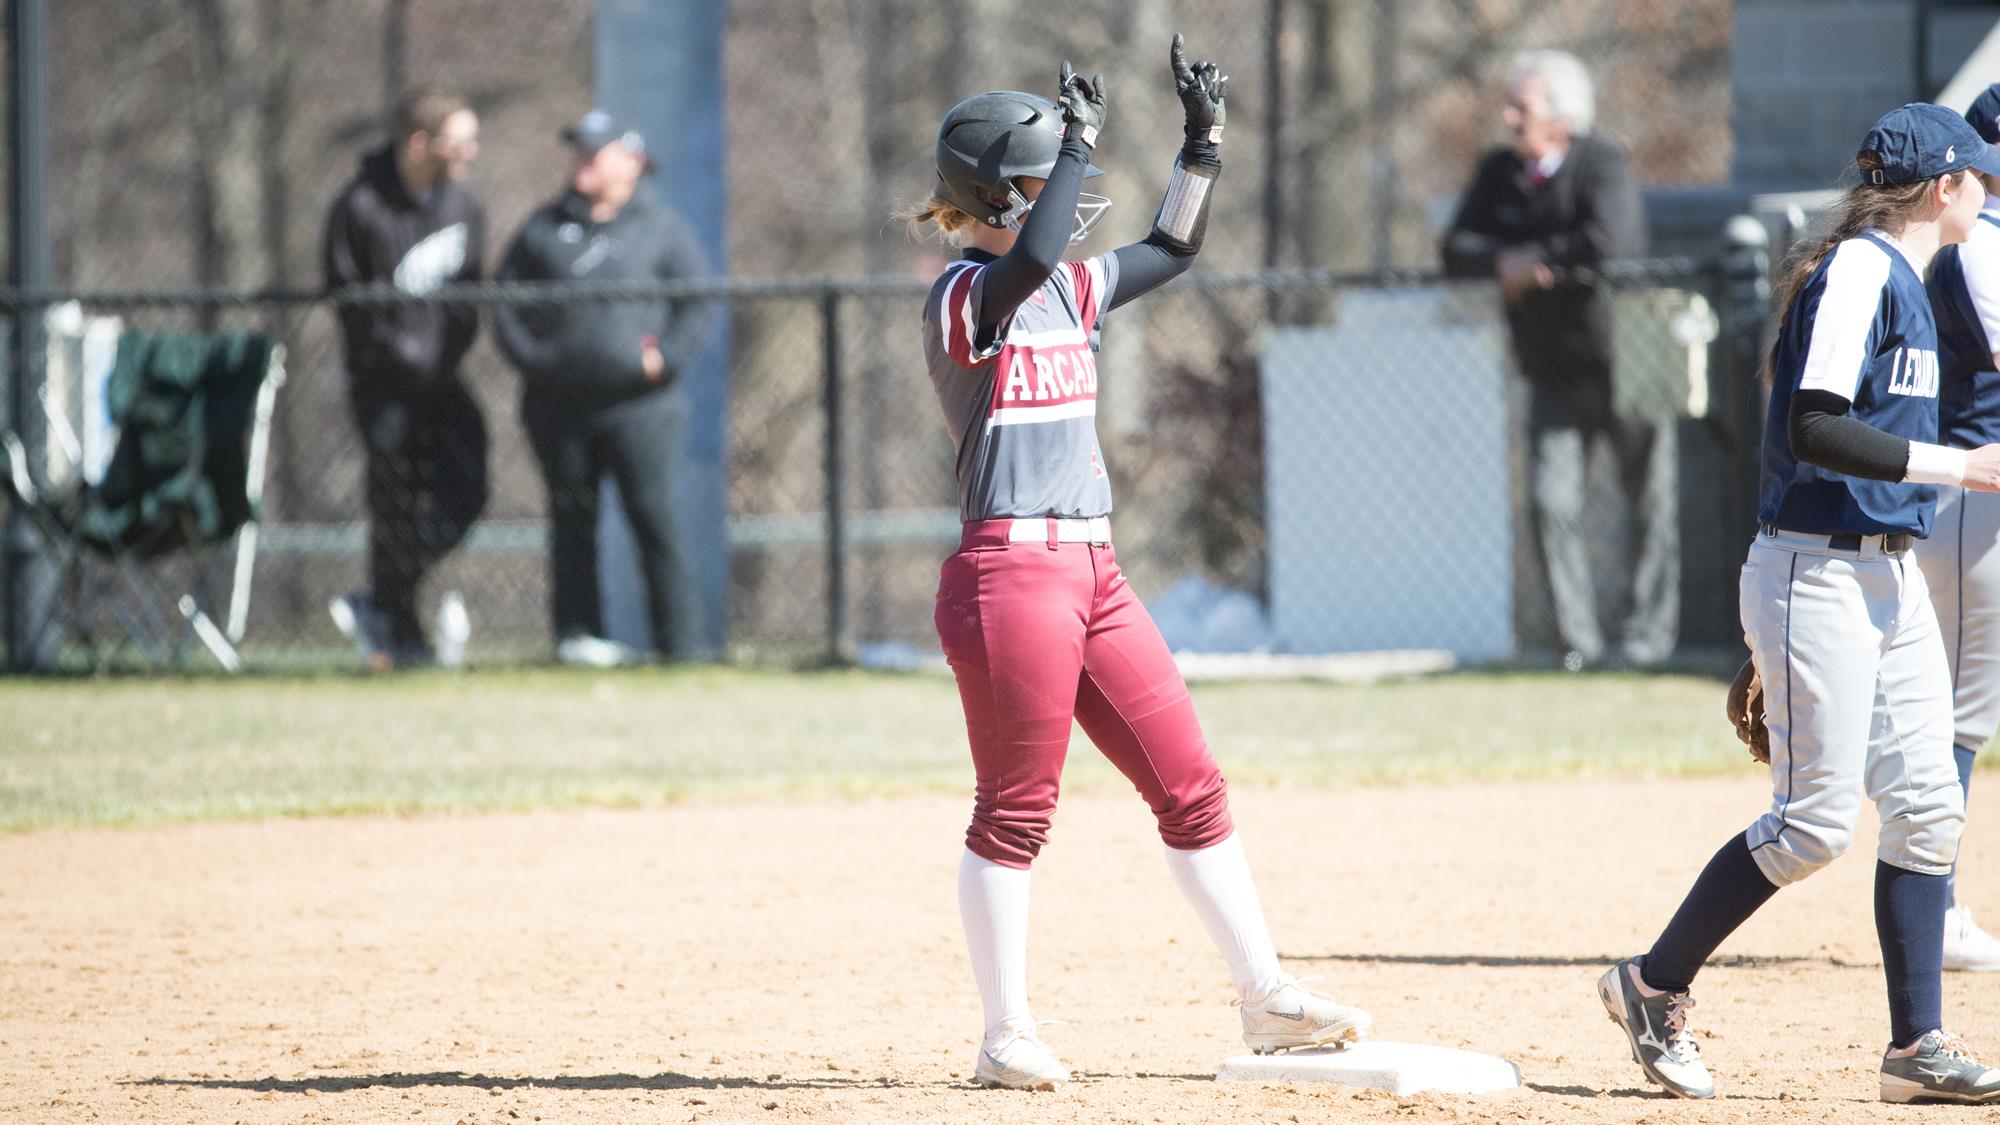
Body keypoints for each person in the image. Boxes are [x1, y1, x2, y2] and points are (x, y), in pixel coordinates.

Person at [904, 37, 1369, 1092]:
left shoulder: (1068, 288)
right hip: (1009, 574)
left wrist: (1201, 146)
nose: (1065, 204)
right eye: (1041, 184)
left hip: (1095, 575)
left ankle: (1264, 995)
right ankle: (1003, 1032)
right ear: (992, 194)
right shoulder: (962, 296)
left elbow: (1171, 249)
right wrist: (1076, 136)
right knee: (1015, 810)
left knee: (1190, 787)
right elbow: (1018, 266)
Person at [1598, 103, 2000, 1104]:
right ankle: (1649, 987)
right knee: (1810, 829)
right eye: (1975, 177)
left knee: (1924, 808)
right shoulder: (1866, 269)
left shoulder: (1899, 275)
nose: (1984, 190)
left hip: (1883, 573)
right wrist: (1963, 466)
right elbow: (1816, 427)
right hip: (1814, 569)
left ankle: (1914, 1050)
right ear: (1941, 189)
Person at [1441, 50, 1665, 670]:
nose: (1510, 117)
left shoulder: (1602, 161)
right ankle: (1577, 643)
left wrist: (1534, 265)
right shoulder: (1499, 172)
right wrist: (1501, 265)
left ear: (1562, 119)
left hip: (1626, 360)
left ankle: (1646, 639)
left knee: (1648, 501)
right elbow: (1455, 248)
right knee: (1550, 501)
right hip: (1550, 369)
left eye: (1524, 106)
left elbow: (1612, 244)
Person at [494, 110, 716, 665]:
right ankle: (578, 640)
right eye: (577, 152)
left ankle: (680, 650)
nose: (582, 161)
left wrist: (663, 360)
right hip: (558, 407)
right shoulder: (543, 227)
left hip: (642, 409)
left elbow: (698, 303)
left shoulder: (660, 227)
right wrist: (539, 360)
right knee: (571, 522)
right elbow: (504, 304)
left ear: (631, 162)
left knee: (654, 519)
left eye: (595, 152)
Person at [323, 87, 488, 668]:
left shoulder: (463, 205)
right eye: (460, 138)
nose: (472, 149)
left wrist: (446, 354)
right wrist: (396, 355)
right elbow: (350, 301)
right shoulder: (360, 207)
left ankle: (379, 600)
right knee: (393, 507)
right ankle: (401, 636)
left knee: (469, 491)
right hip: (384, 387)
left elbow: (470, 293)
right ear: (420, 143)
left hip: (443, 380)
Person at [1918, 84, 2000, 974]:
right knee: (1957, 719)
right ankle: (1932, 904)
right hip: (1975, 489)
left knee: (1952, 711)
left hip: (1962, 489)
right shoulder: (1981, 242)